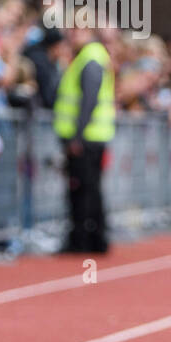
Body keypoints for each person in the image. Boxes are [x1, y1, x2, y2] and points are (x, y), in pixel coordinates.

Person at [53, 13, 116, 253]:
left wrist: (77, 136)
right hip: (89, 136)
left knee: (84, 190)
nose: (71, 34)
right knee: (88, 189)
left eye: (77, 29)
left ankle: (84, 240)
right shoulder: (86, 57)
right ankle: (93, 239)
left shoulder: (90, 58)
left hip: (86, 138)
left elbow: (89, 100)